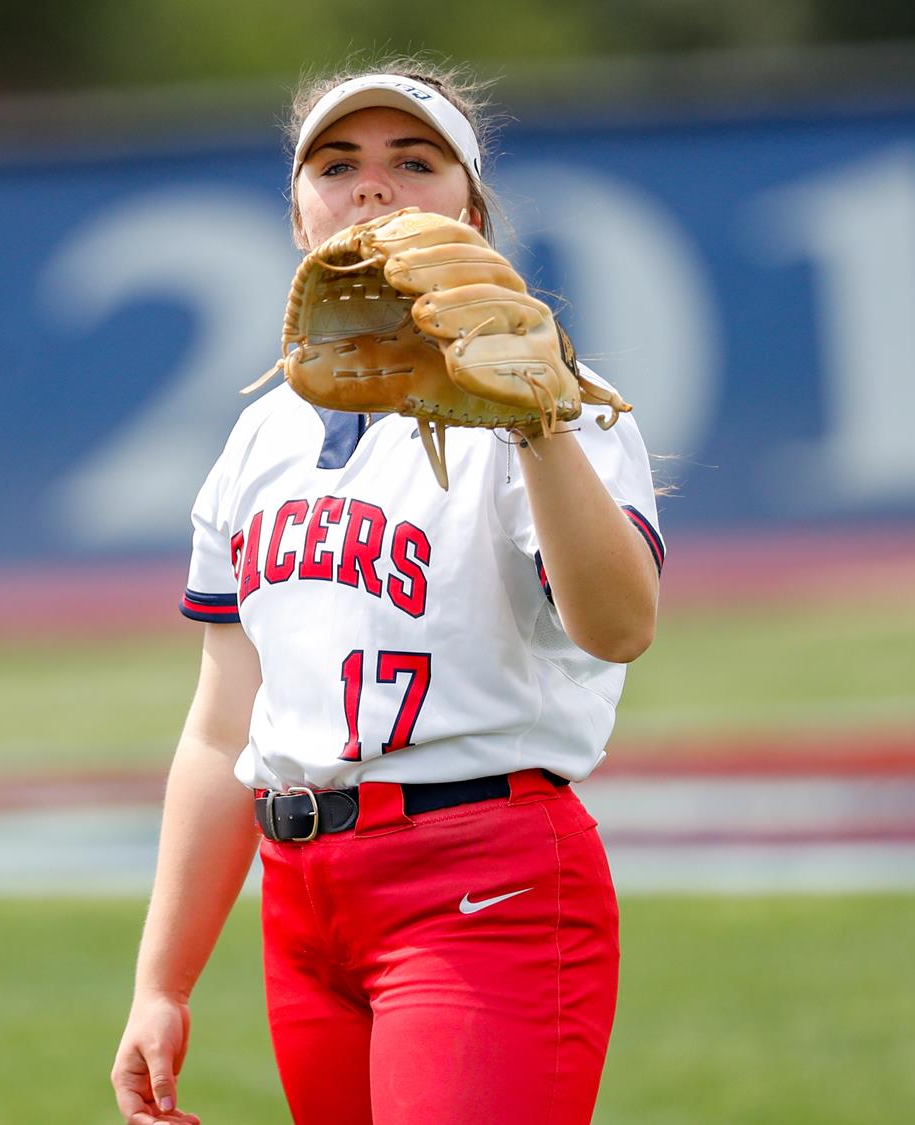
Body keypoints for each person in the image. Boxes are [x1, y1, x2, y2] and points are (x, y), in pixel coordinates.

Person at [109, 58, 665, 1125]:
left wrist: (534, 419)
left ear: (471, 209)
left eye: (412, 161)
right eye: (336, 163)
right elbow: (222, 724)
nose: (372, 186)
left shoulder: (563, 403)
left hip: (482, 882)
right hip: (304, 899)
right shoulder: (257, 436)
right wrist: (162, 982)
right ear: (294, 210)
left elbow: (619, 625)